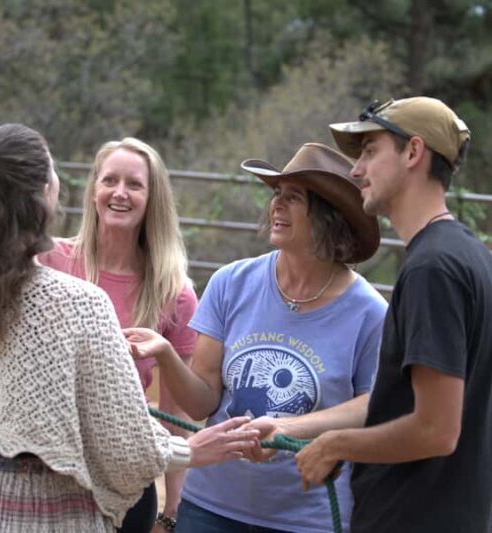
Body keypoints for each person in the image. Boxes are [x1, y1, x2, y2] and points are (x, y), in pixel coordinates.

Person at [0, 124, 260, 532]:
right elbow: (125, 450)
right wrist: (194, 450)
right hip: (49, 509)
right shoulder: (81, 304)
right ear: (46, 194)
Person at [125, 142, 387, 532]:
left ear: (329, 216)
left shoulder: (369, 311)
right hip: (210, 506)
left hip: (305, 517)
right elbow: (202, 402)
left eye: (294, 197)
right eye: (277, 195)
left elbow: (373, 405)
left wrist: (286, 429)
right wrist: (165, 354)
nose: (277, 206)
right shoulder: (232, 283)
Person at [284, 97, 492, 532]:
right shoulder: (464, 254)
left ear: (412, 152)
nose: (356, 170)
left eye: (369, 152)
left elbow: (437, 430)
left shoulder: (433, 268)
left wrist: (336, 444)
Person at [40, 137, 197, 533]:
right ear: (94, 190)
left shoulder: (173, 292)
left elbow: (176, 413)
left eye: (134, 184)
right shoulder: (47, 260)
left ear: (152, 198)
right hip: (43, 474)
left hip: (125, 481)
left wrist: (173, 509)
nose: (120, 193)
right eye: (110, 180)